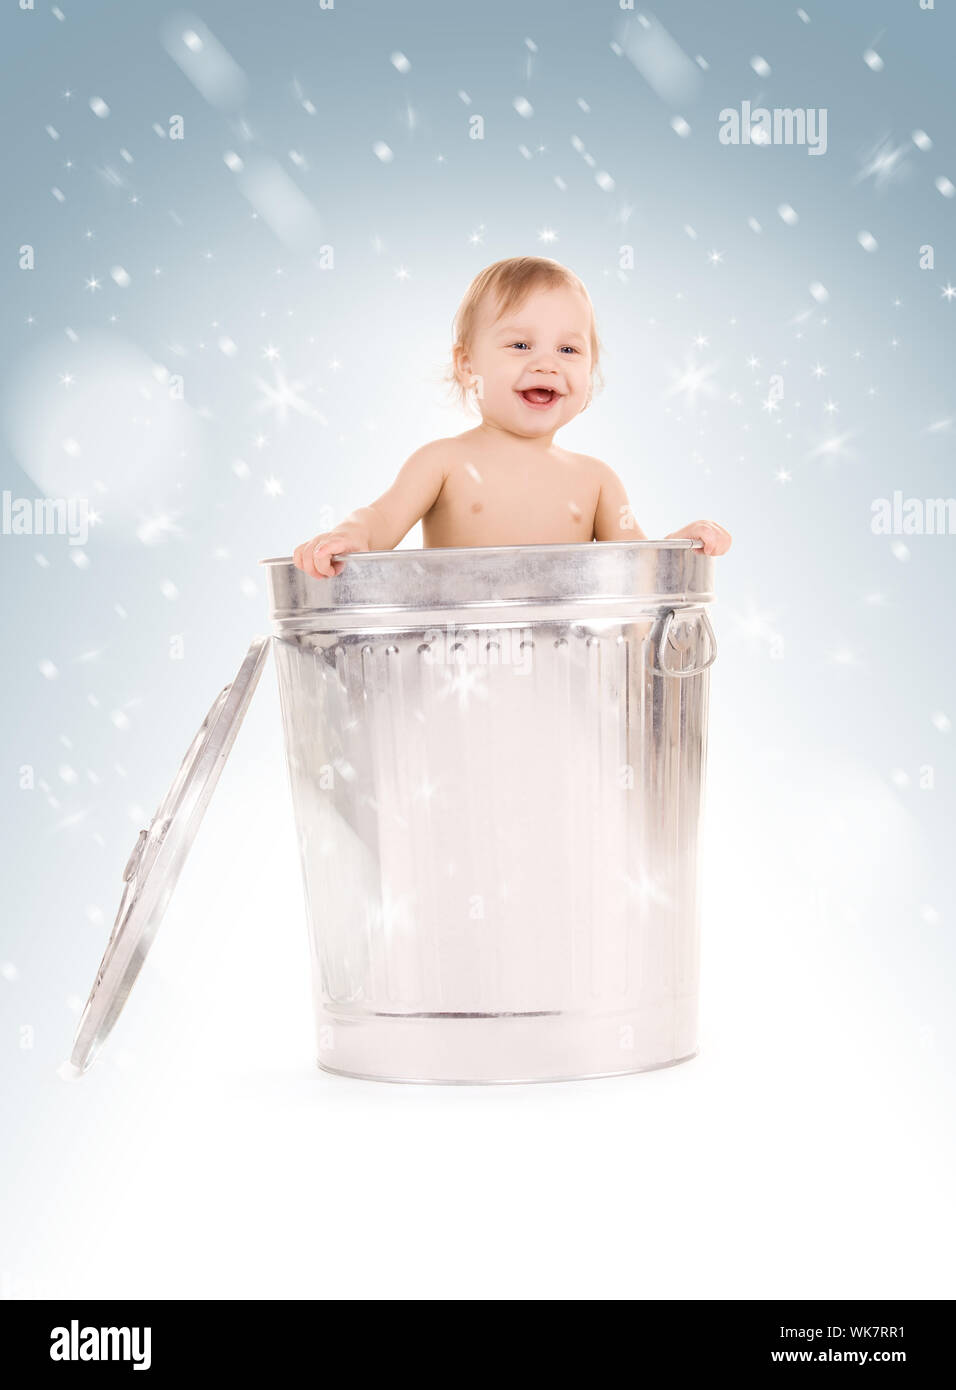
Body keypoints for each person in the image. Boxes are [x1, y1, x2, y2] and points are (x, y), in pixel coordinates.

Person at [293, 256, 731, 578]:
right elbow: (381, 520)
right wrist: (348, 536)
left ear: (590, 373)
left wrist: (680, 549)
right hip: (456, 669)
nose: (547, 364)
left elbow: (639, 569)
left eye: (569, 350)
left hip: (566, 674)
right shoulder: (443, 463)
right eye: (521, 346)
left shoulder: (596, 481)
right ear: (467, 366)